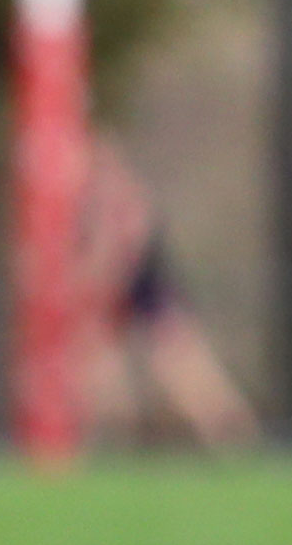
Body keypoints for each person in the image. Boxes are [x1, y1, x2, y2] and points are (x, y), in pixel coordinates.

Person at [74, 136, 256, 449]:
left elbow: (126, 247)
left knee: (179, 365)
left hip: (148, 288)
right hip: (119, 290)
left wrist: (98, 276)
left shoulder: (122, 197)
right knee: (102, 364)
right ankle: (114, 436)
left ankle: (230, 432)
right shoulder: (93, 199)